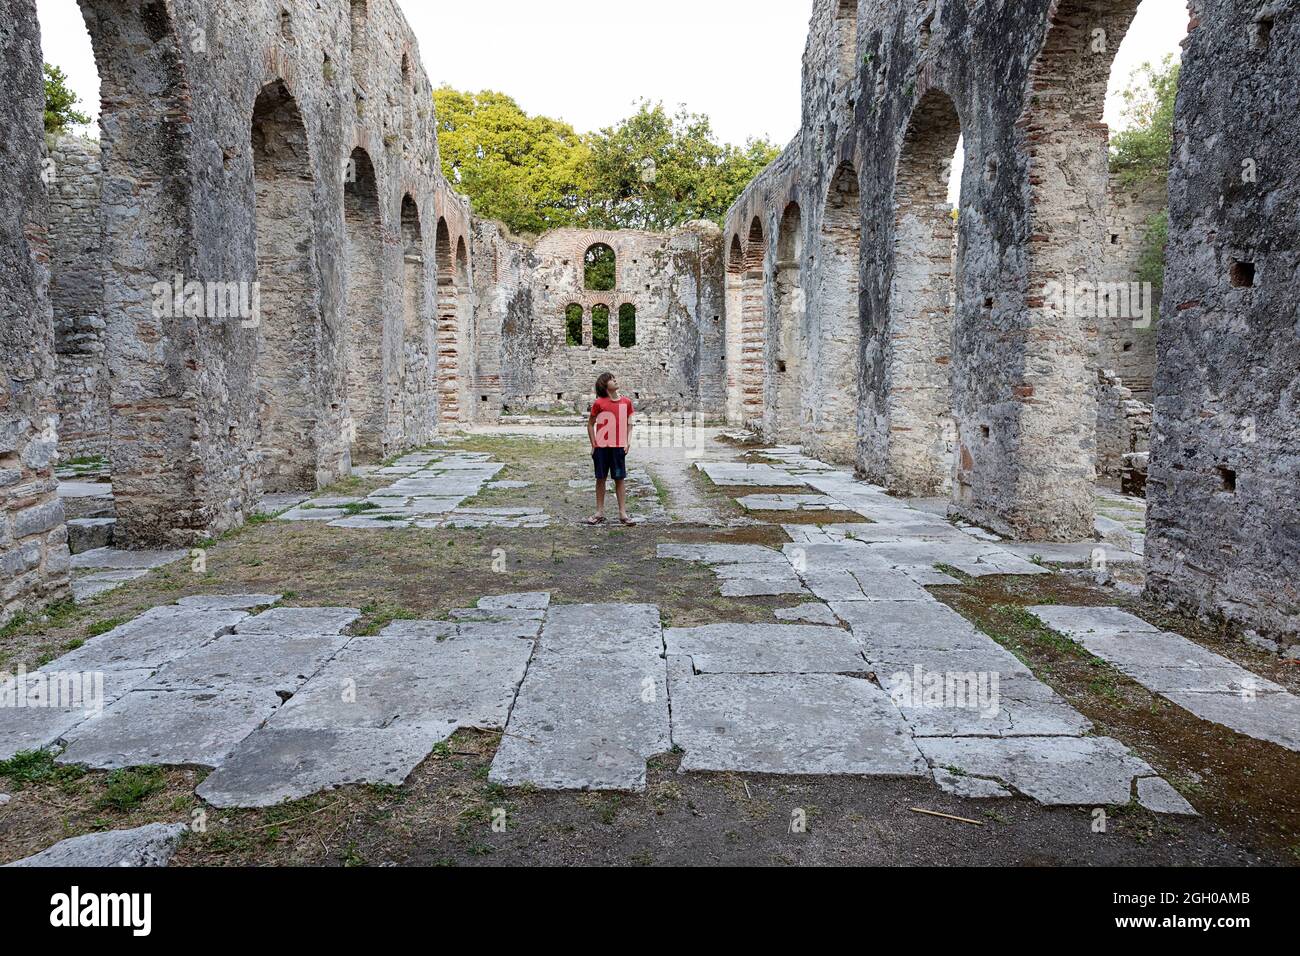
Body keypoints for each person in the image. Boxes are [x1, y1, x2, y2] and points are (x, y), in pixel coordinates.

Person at [587, 372, 636, 526]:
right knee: (600, 478)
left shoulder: (626, 402)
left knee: (619, 479)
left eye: (614, 378)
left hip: (618, 447)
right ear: (604, 385)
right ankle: (599, 512)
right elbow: (590, 424)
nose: (615, 380)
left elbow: (629, 425)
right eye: (611, 379)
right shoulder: (599, 403)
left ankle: (623, 513)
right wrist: (593, 444)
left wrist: (627, 443)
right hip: (601, 447)